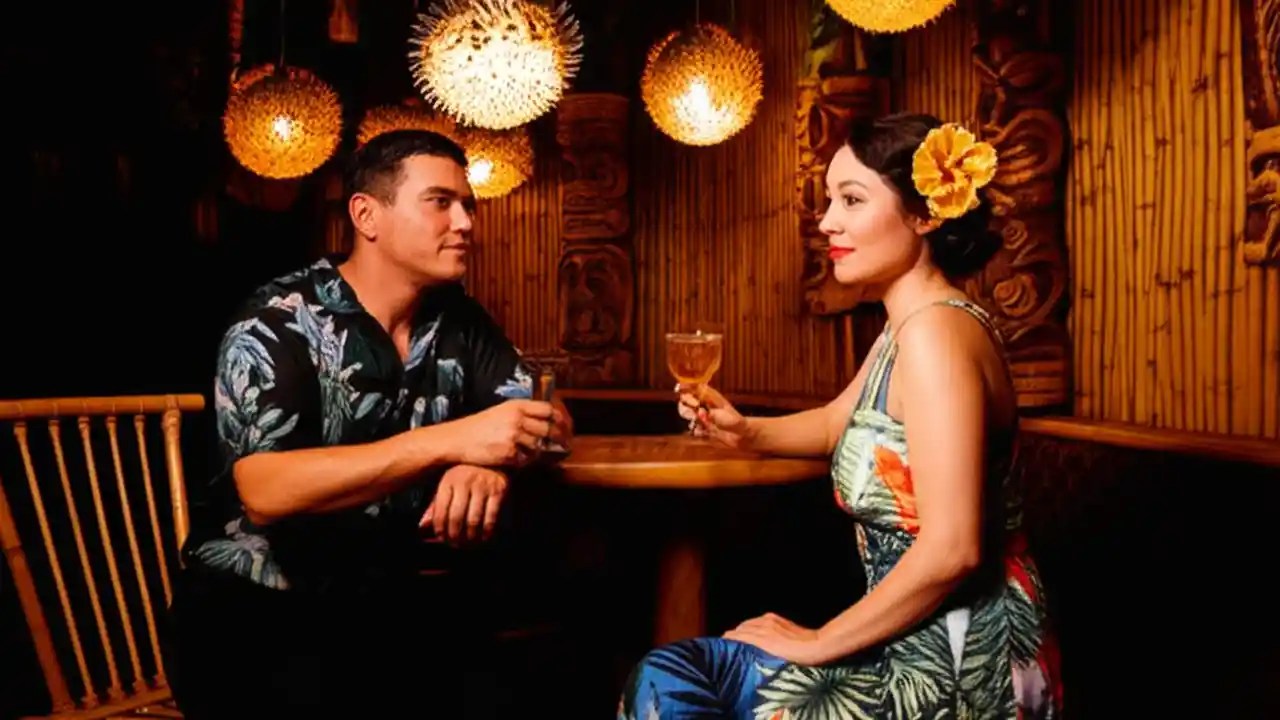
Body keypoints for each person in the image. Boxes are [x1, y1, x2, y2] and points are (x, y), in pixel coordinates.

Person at [618, 113, 1062, 718]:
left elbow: (954, 547)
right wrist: (744, 430)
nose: (827, 222)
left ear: (925, 215)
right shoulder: (905, 326)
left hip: (958, 660)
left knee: (669, 681)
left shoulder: (936, 335)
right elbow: (837, 424)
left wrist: (819, 640)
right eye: (830, 200)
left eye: (852, 200)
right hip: (902, 636)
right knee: (676, 674)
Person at [165, 129, 573, 718]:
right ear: (366, 214)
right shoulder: (279, 322)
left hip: (391, 603)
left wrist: (486, 464)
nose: (465, 224)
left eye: (468, 206)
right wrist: (453, 441)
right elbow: (265, 490)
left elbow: (550, 416)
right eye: (440, 202)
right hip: (259, 614)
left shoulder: (458, 320)